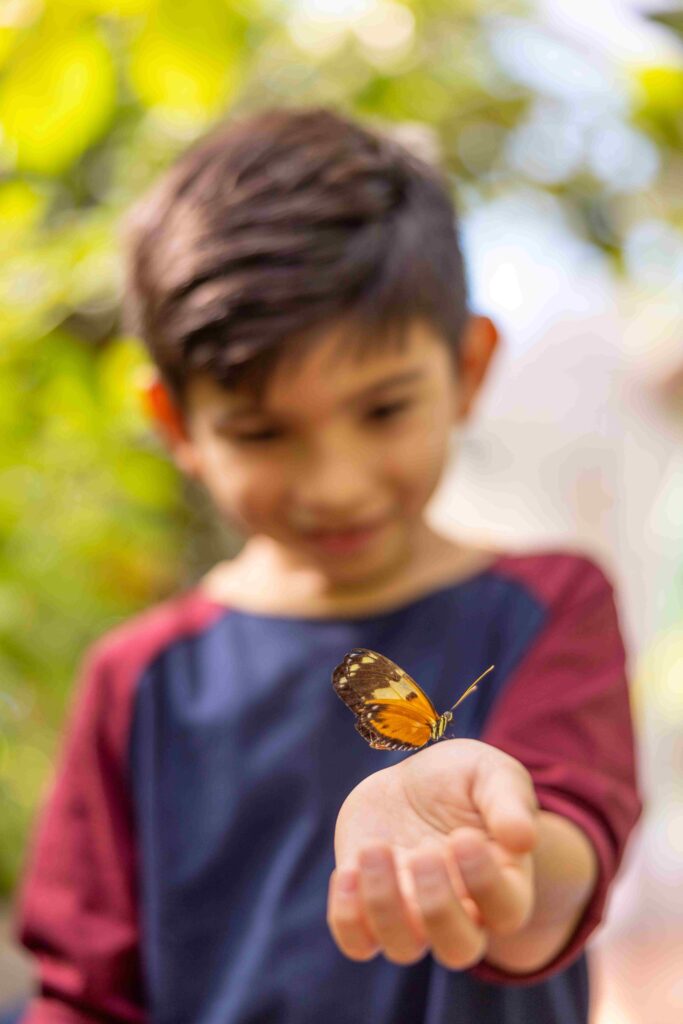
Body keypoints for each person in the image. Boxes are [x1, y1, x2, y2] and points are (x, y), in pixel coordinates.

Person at [10, 106, 641, 1024]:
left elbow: (560, 868)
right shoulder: (139, 678)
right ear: (177, 425)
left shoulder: (550, 607)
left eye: (382, 410)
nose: (334, 485)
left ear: (467, 368)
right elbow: (85, 991)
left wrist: (499, 857)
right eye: (263, 432)